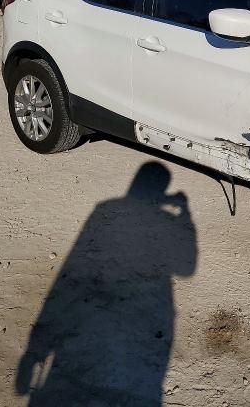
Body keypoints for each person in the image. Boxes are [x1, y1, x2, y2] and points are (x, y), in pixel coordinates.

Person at [15, 161, 197, 406]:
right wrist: (185, 215)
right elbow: (186, 268)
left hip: (87, 342)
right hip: (140, 340)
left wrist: (34, 352)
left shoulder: (104, 209)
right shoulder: (165, 218)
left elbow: (70, 268)